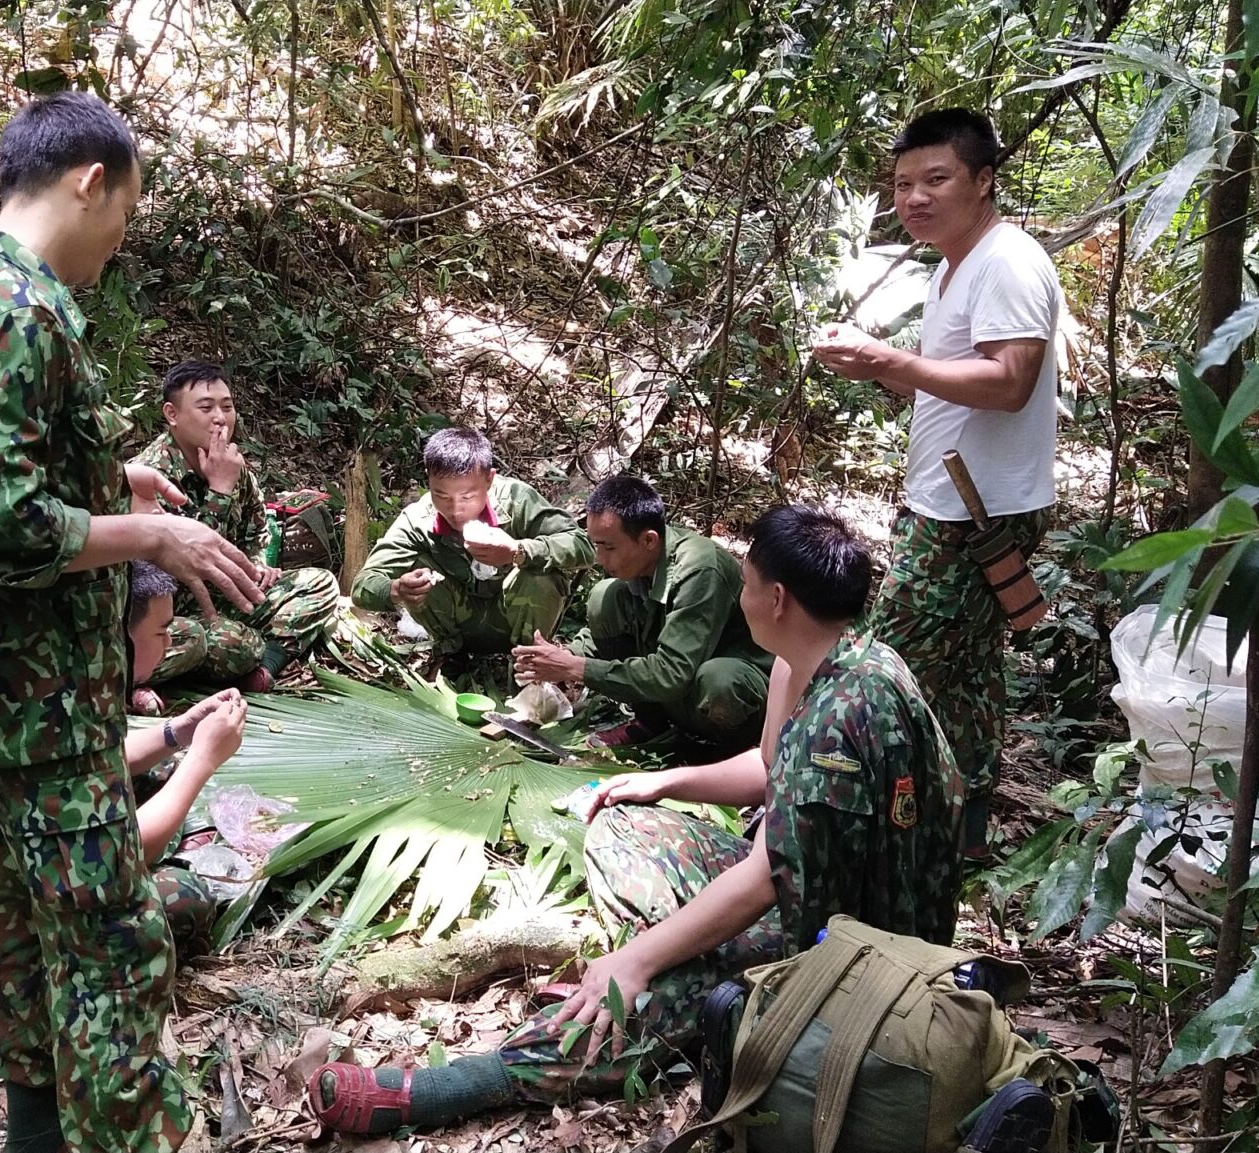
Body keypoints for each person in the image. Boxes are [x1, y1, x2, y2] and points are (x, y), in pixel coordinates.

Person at [308, 504, 963, 1133]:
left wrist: (639, 961)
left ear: (779, 599)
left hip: (848, 955)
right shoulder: (818, 656)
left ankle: (457, 1083)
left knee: (630, 998)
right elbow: (769, 770)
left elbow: (768, 874)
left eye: (749, 582)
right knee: (619, 820)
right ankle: (682, 949)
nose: (741, 593)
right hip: (804, 888)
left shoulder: (846, 713)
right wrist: (659, 782)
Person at [0, 92, 262, 1153]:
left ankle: (35, 1138)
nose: (120, 240)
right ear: (88, 180)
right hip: (44, 707)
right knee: (110, 947)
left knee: (19, 938)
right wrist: (146, 536)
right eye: (125, 213)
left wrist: (109, 470)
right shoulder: (21, 312)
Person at [810, 108, 1063, 858]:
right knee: (969, 670)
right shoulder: (956, 266)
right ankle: (962, 823)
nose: (914, 198)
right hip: (963, 499)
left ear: (984, 180)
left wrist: (890, 362)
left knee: (885, 665)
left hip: (969, 513)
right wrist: (878, 365)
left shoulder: (1005, 262)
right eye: (902, 184)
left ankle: (856, 817)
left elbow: (1010, 382)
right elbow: (956, 384)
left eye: (936, 179)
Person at [0, 561, 248, 968]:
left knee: (157, 774)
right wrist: (203, 760)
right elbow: (112, 860)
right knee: (184, 897)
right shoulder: (32, 729)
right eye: (161, 632)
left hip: (5, 871)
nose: (170, 641)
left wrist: (179, 731)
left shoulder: (37, 677)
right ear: (115, 636)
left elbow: (99, 760)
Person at [511, 475, 770, 752]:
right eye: (596, 545)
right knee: (603, 597)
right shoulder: (641, 563)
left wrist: (576, 668)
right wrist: (564, 658)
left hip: (729, 691)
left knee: (720, 680)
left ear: (648, 540)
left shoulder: (700, 568)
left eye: (608, 547)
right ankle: (650, 723)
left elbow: (672, 673)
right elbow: (613, 630)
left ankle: (731, 756)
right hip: (682, 691)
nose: (600, 558)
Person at [131, 361, 341, 693]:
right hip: (164, 615)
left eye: (227, 407)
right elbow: (186, 570)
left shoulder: (231, 464)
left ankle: (265, 667)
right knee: (222, 644)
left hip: (224, 597)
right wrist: (219, 491)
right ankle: (137, 681)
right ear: (172, 414)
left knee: (319, 584)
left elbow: (257, 527)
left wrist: (257, 564)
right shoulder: (148, 477)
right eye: (206, 407)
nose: (220, 418)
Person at [350, 427, 587, 670]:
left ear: (489, 479)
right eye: (441, 495)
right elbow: (362, 585)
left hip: (516, 621)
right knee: (419, 566)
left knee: (542, 575)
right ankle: (451, 658)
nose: (455, 510)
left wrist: (518, 551)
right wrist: (397, 589)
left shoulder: (518, 500)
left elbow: (583, 545)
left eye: (467, 496)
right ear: (428, 480)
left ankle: (528, 665)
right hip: (457, 630)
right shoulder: (418, 519)